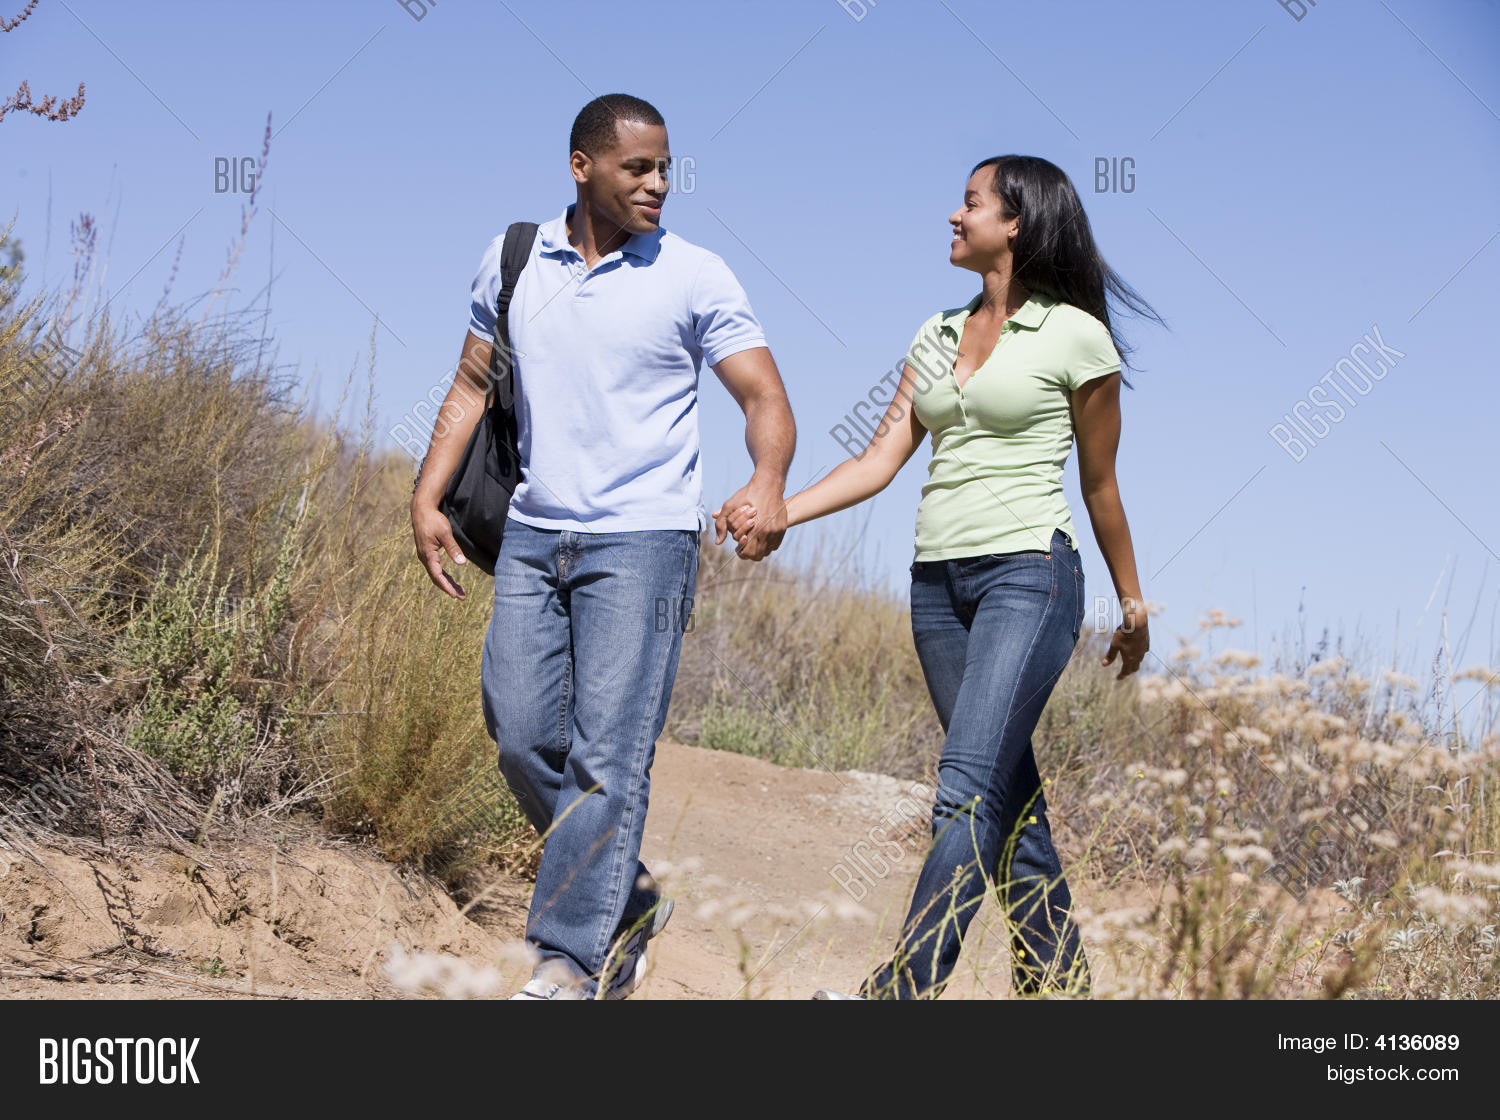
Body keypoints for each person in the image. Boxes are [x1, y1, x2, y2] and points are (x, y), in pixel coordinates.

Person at [719, 154, 1157, 1000]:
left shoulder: (1076, 336)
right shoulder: (936, 334)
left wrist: (1131, 602)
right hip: (937, 591)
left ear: (1018, 221)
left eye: (970, 204)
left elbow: (1101, 487)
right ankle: (1060, 987)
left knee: (961, 791)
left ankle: (900, 992)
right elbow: (880, 459)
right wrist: (781, 511)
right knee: (1001, 795)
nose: (952, 218)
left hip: (1030, 578)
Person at [411, 93, 795, 999]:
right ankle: (624, 893)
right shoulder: (515, 259)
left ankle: (570, 961)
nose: (660, 184)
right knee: (520, 735)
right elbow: (473, 383)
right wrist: (426, 495)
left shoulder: (694, 275)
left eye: (666, 167)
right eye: (639, 168)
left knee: (608, 756)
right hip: (537, 533)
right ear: (582, 167)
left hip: (647, 541)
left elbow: (764, 398)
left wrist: (767, 481)